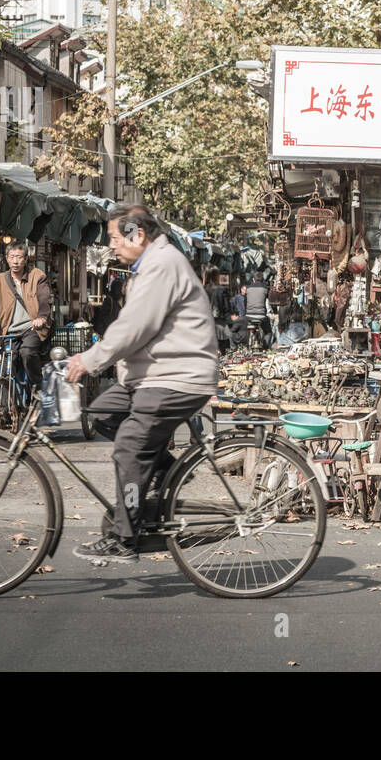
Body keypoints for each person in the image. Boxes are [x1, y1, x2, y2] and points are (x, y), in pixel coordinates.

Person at [65, 205, 221, 563]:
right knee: (103, 412)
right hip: (152, 375)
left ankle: (125, 537)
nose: (111, 246)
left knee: (130, 449)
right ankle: (167, 470)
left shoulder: (161, 264)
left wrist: (89, 361)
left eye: (116, 238)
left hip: (178, 377)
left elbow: (135, 325)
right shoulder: (146, 265)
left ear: (138, 235)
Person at [0, 241, 52, 392]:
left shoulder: (37, 276)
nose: (15, 261)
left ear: (26, 259)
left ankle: (37, 388)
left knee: (27, 352)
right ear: (6, 258)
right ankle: (11, 401)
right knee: (8, 361)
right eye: (12, 257)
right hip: (8, 332)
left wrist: (41, 317)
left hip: (31, 329)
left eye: (19, 257)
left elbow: (45, 299)